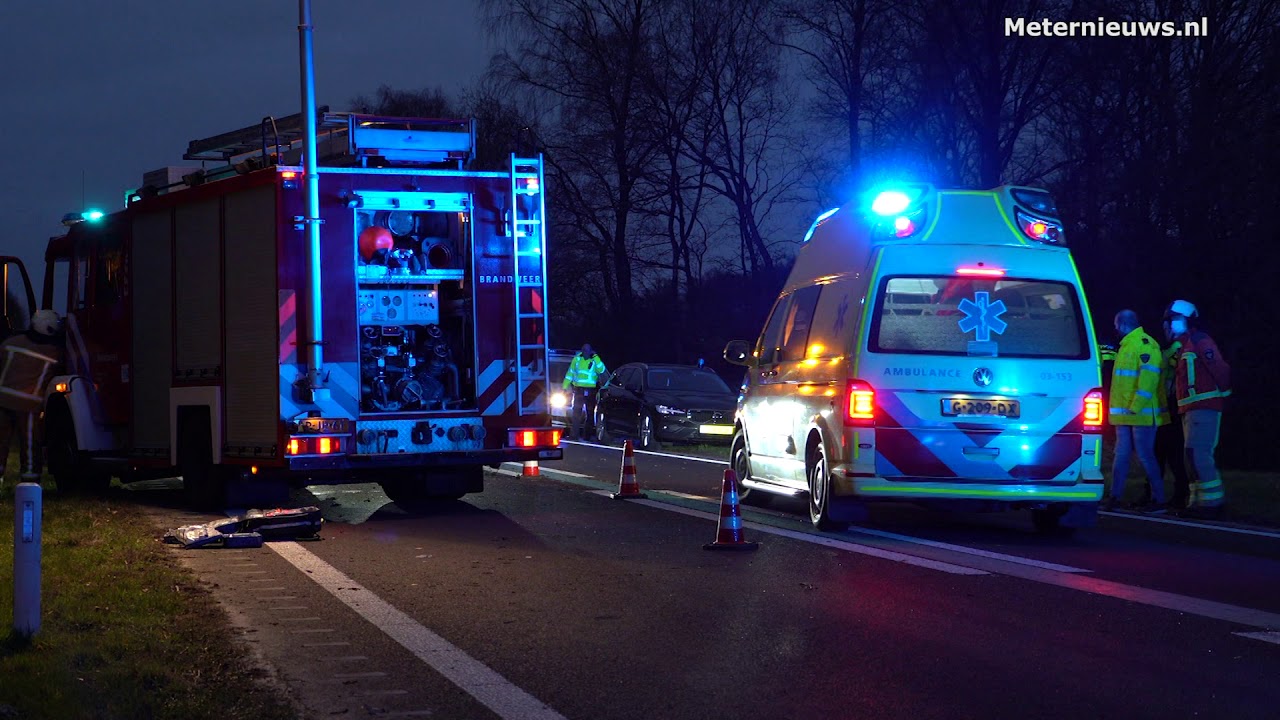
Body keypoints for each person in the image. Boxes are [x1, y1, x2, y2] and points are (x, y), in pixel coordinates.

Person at [1165, 300, 1231, 519]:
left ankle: (1214, 504)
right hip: (1191, 408)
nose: (1172, 324)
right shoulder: (1186, 344)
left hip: (1204, 405)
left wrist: (1224, 394)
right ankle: (1198, 502)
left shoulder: (1200, 341)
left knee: (1199, 454)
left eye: (1175, 319)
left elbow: (1220, 368)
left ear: (1189, 320)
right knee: (1190, 455)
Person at [1103, 309, 1169, 513]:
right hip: (1126, 414)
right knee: (1121, 455)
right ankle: (1115, 496)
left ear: (1122, 324)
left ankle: (1159, 500)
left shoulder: (1144, 344)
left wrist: (1136, 406)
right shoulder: (1127, 346)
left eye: (1116, 326)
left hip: (1140, 414)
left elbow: (1148, 380)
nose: (1116, 330)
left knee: (1145, 456)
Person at [0, 309, 66, 485]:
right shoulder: (54, 353)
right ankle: (30, 487)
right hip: (28, 406)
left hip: (2, 401)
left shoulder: (9, 343)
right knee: (30, 447)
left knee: (1, 444)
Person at [1154, 311, 1193, 509]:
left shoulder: (1178, 348)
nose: (1165, 332)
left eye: (1166, 328)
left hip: (1173, 407)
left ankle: (1180, 496)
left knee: (1173, 454)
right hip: (1167, 408)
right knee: (1161, 452)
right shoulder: (1173, 347)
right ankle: (1160, 495)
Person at [562, 343, 607, 441]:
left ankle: (587, 436)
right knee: (576, 413)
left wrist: (596, 357)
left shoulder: (595, 360)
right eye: (584, 350)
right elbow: (570, 373)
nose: (585, 352)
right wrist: (564, 386)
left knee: (590, 414)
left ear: (591, 351)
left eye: (587, 350)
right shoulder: (577, 359)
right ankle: (574, 435)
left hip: (591, 391)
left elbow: (602, 369)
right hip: (579, 390)